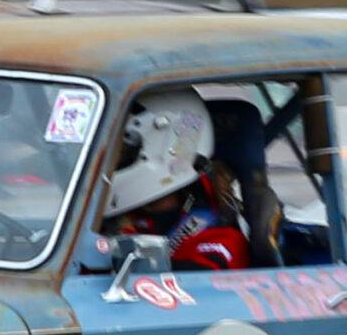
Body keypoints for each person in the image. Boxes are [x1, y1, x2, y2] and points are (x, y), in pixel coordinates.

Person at [103, 88, 253, 271]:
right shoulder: (125, 220)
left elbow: (195, 285)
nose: (108, 164)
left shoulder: (222, 239)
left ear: (157, 152)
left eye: (121, 153)